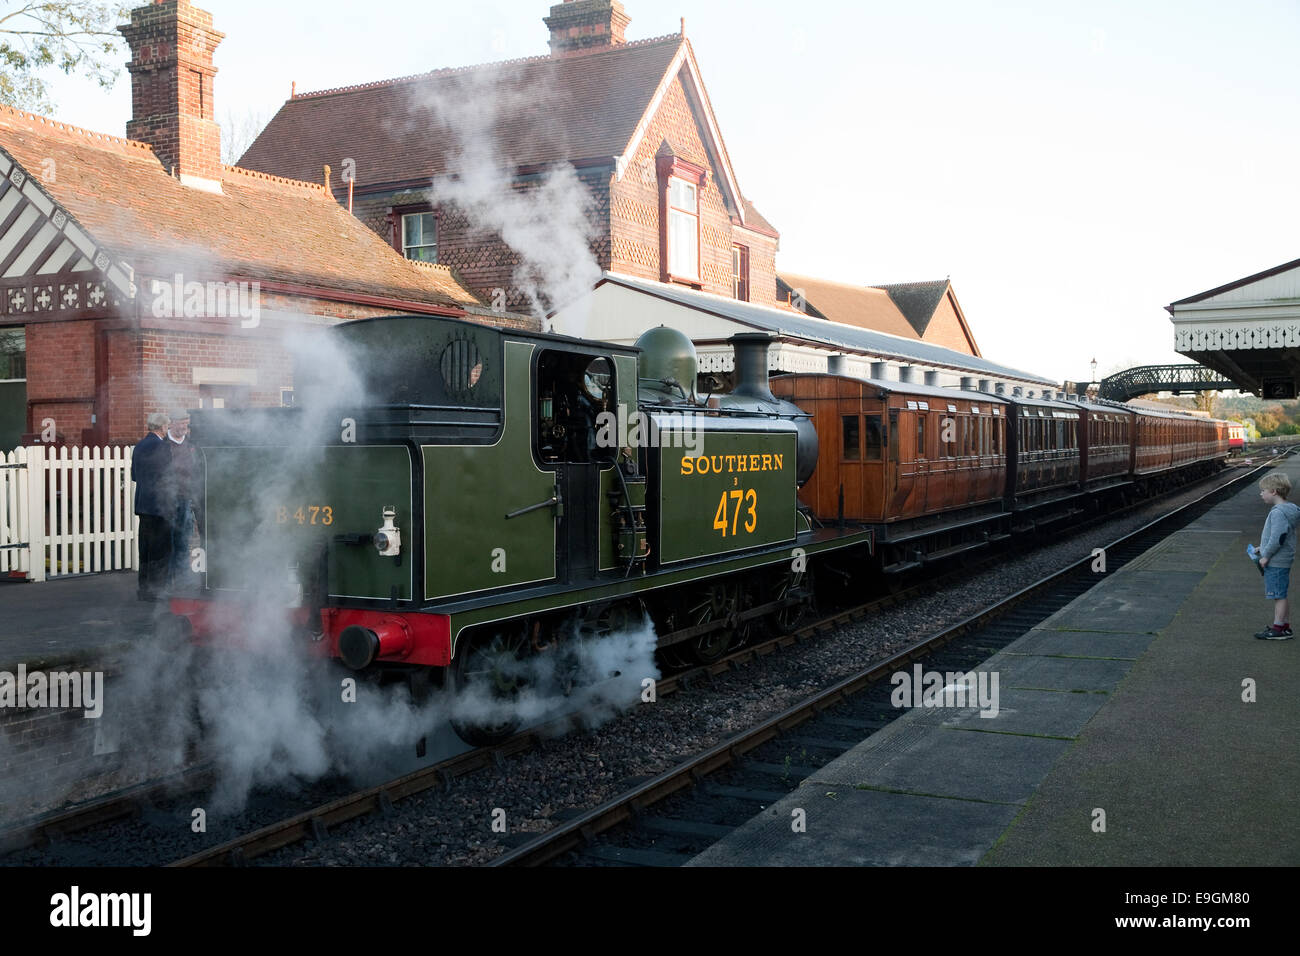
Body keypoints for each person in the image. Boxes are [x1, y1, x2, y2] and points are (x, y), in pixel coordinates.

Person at [1254, 471, 1300, 639]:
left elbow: (1278, 538)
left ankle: (1278, 629)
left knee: (1278, 596)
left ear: (1273, 491)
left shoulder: (1278, 513)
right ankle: (1285, 626)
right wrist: (1262, 547)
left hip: (1276, 560)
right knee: (1282, 593)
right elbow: (1281, 536)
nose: (1261, 494)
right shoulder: (1288, 509)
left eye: (1263, 491)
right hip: (1282, 558)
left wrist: (1265, 556)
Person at [132, 412, 172, 601]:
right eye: (167, 426)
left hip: (143, 503)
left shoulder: (139, 446)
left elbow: (134, 475)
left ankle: (145, 589)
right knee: (160, 549)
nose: (168, 429)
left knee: (146, 549)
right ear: (161, 427)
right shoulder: (162, 446)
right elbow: (168, 476)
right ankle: (157, 589)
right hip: (159, 505)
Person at [165, 410, 200, 590]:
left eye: (186, 423)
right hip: (168, 499)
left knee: (184, 539)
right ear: (171, 423)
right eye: (181, 423)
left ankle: (183, 579)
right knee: (169, 540)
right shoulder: (163, 444)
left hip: (186, 497)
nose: (184, 427)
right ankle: (169, 579)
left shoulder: (191, 445)